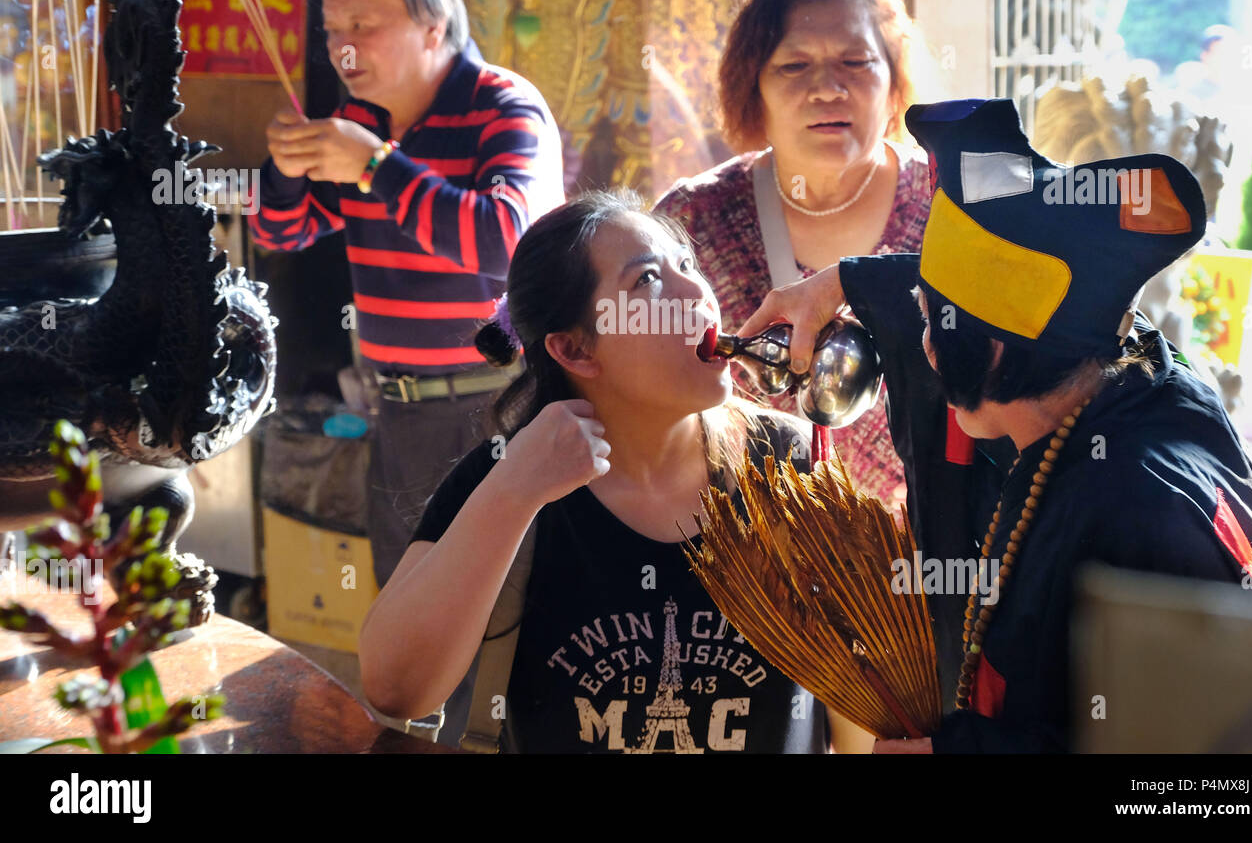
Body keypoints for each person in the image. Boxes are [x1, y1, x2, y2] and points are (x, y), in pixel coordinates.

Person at [739, 97, 1252, 753]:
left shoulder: (1131, 512)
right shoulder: (1145, 376)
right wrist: (843, 283)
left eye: (932, 319)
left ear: (998, 349)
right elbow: (993, 293)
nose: (921, 347)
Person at [358, 189, 874, 753]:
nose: (694, 293)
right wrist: (515, 492)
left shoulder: (789, 462)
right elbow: (395, 691)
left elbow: (859, 695)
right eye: (647, 281)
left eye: (686, 264)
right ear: (575, 351)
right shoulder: (508, 474)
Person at [251, 0, 565, 587]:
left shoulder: (504, 107)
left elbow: (505, 242)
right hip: (398, 415)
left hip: (501, 406)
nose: (343, 46)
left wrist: (374, 165)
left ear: (432, 26)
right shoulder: (367, 120)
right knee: (411, 621)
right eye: (333, 27)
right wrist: (282, 173)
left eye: (363, 23)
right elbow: (283, 235)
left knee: (505, 624)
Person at [655, 0, 933, 509]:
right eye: (793, 67)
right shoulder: (693, 222)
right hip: (748, 566)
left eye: (856, 61)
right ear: (752, 86)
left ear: (894, 79)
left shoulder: (950, 206)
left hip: (928, 560)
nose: (828, 88)